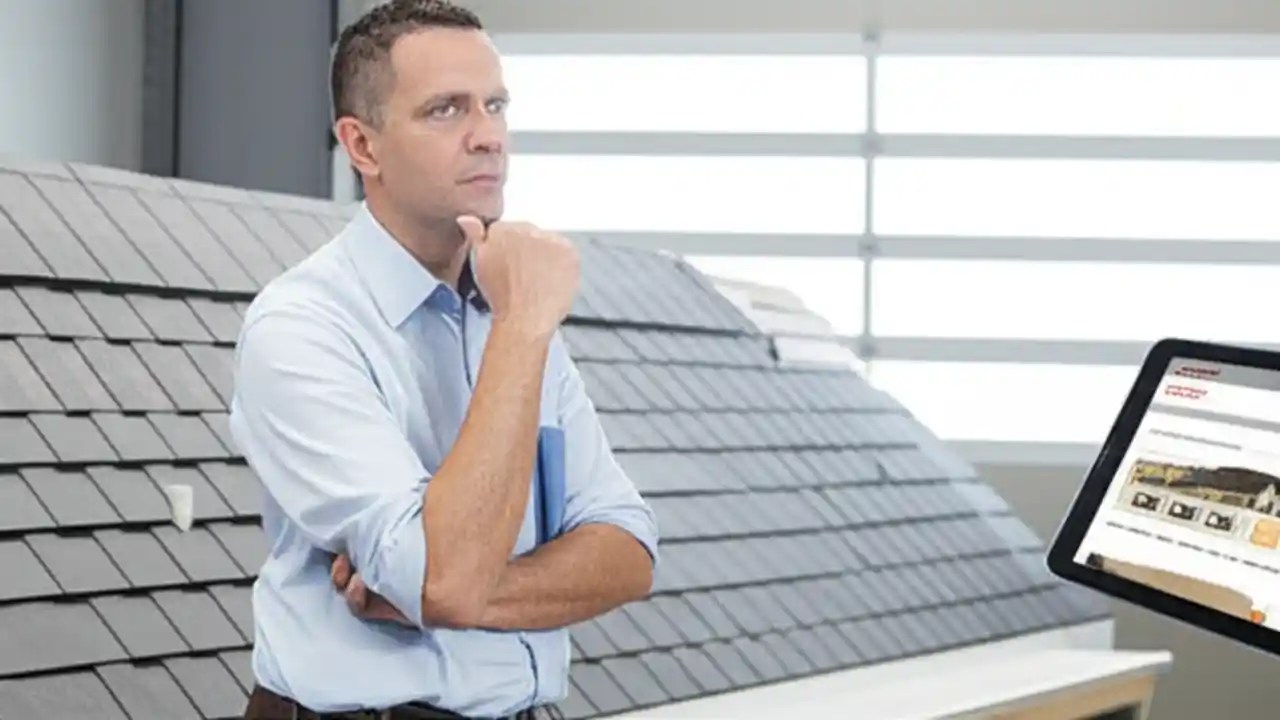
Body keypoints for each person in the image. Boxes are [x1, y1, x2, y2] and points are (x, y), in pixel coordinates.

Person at [229, 1, 660, 718]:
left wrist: (466, 594)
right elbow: (446, 579)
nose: (487, 137)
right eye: (445, 111)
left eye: (495, 105)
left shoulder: (513, 304)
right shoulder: (302, 329)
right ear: (362, 146)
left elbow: (628, 553)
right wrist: (522, 327)